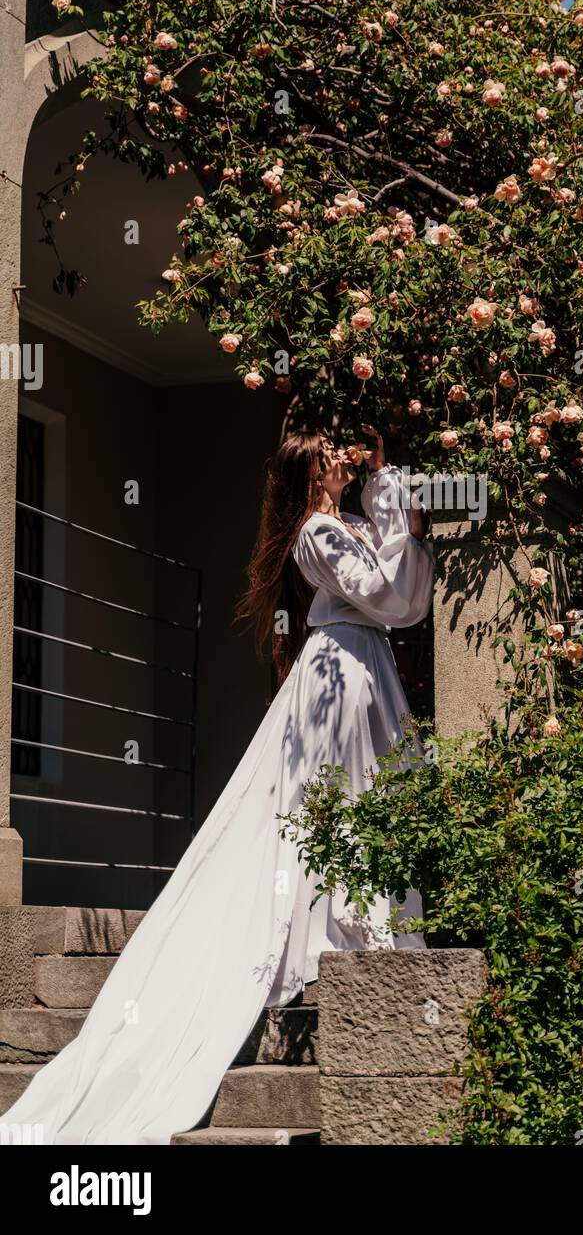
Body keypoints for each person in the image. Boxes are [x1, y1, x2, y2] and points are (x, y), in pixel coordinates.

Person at [0, 424, 434, 1144]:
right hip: (337, 674)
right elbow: (388, 595)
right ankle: (339, 927)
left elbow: (405, 603)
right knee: (325, 799)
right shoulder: (317, 535)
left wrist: (388, 496)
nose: (342, 460)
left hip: (367, 671)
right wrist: (394, 509)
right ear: (310, 472)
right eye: (331, 454)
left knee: (369, 794)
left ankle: (363, 919)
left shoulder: (351, 522)